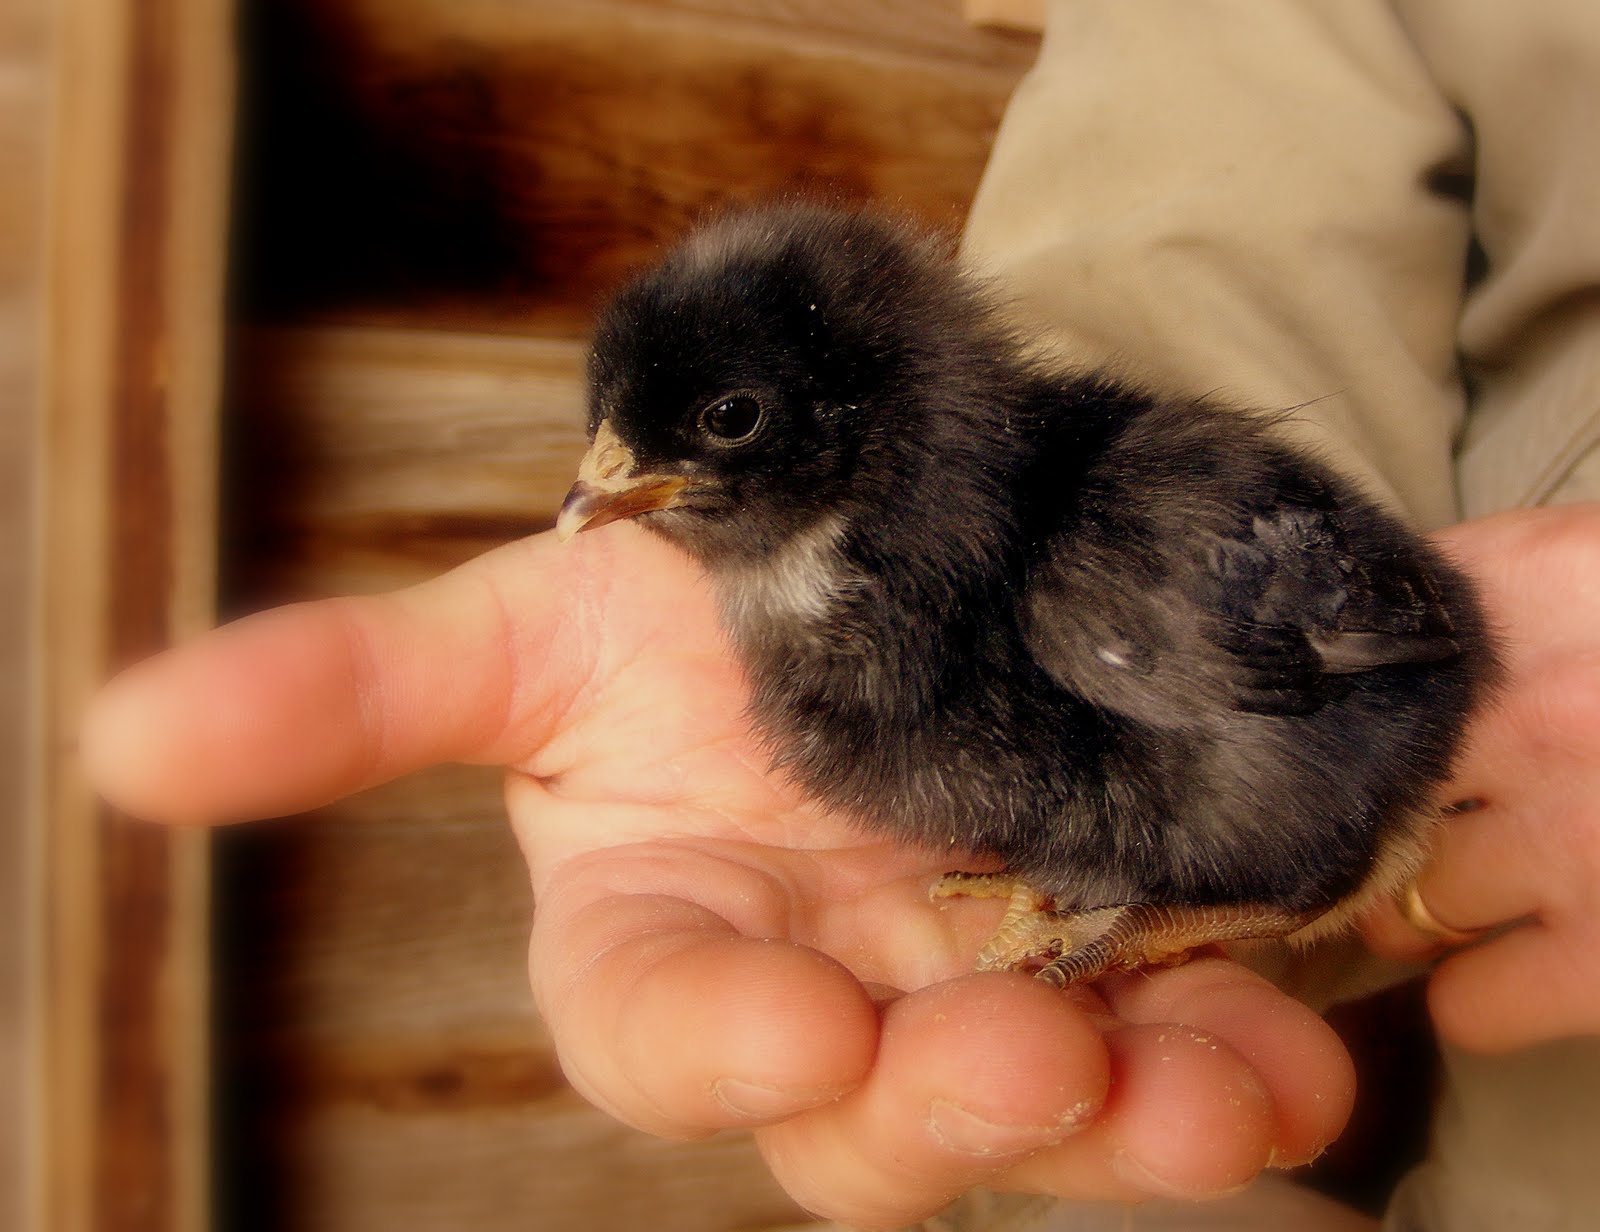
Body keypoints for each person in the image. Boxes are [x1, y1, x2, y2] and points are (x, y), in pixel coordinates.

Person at [86, 1, 1600, 1228]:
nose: (606, 481)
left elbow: (1388, 636)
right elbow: (1259, 74)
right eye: (617, 434)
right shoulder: (902, 554)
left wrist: (1220, 903)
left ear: (858, 418)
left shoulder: (1111, 568)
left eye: (714, 426)